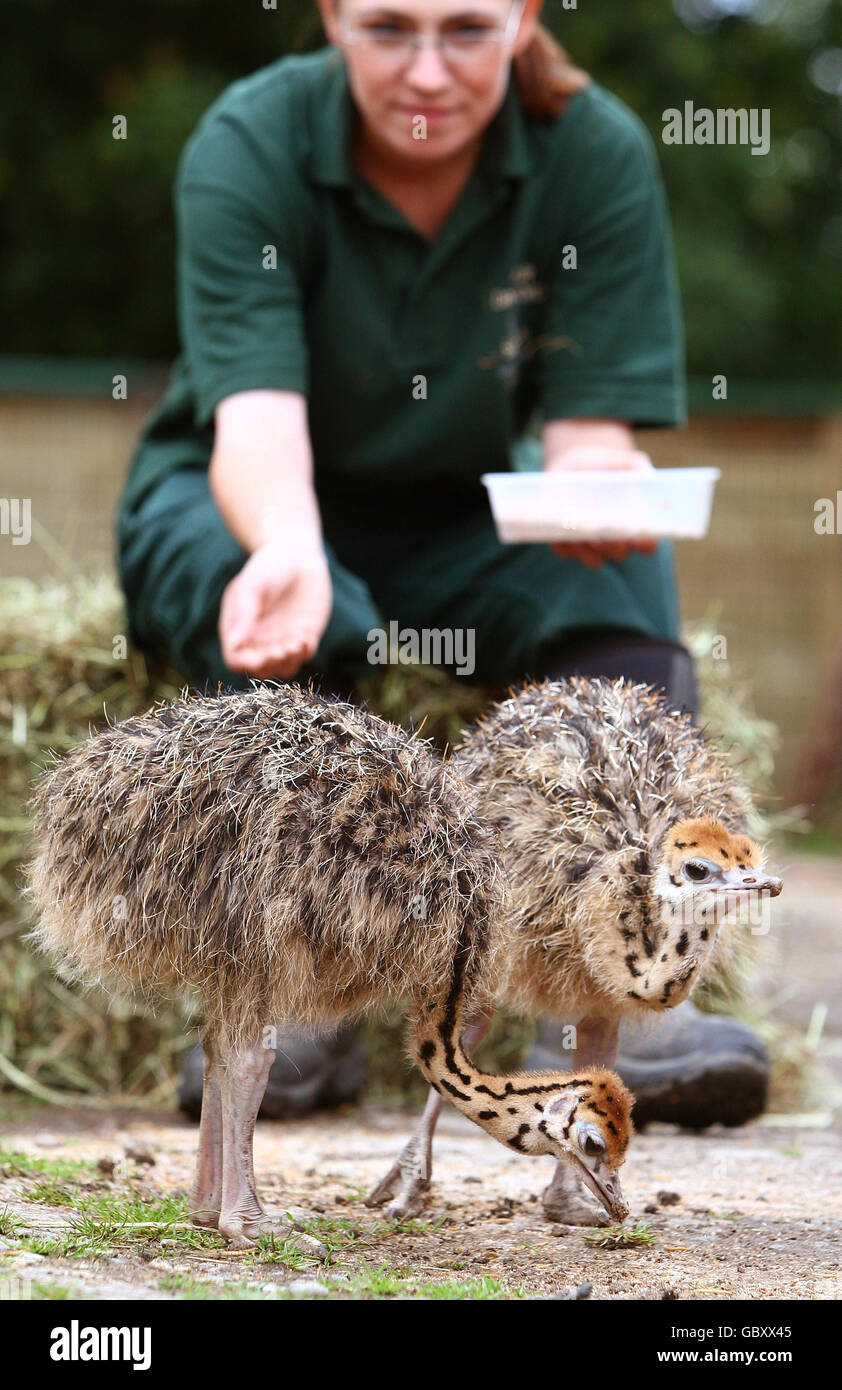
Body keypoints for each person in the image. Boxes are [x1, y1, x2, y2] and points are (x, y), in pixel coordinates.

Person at [118, 0, 768, 1148]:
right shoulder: (250, 141)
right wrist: (287, 547)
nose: (426, 71)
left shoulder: (591, 148)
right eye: (386, 29)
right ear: (330, 16)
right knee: (264, 600)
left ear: (523, 17)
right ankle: (294, 982)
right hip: (254, 486)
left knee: (613, 588)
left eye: (465, 28)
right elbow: (256, 419)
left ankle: (612, 983)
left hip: (474, 504)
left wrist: (601, 479)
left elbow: (582, 430)